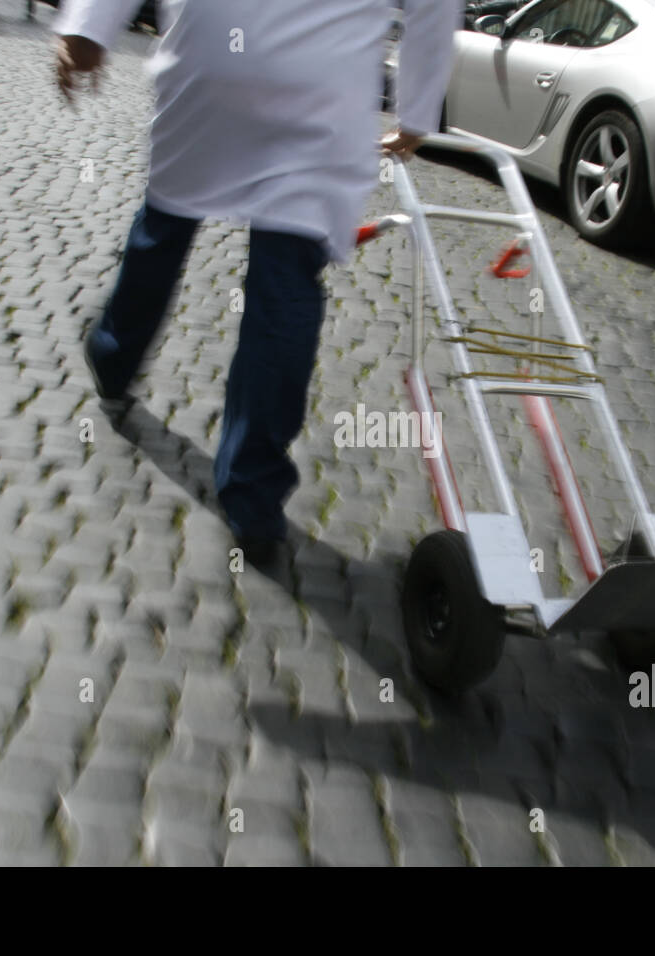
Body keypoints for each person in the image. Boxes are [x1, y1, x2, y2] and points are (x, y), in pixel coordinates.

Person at [53, 0, 461, 564]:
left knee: (165, 226)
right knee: (287, 280)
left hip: (213, 52)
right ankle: (254, 495)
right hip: (324, 81)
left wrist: (89, 27)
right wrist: (416, 113)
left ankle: (113, 354)